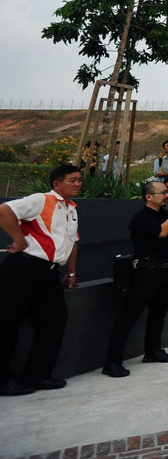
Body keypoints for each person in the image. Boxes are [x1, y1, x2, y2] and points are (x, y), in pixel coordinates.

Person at [102, 179, 168, 377]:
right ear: (148, 197)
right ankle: (112, 362)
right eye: (162, 193)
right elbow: (161, 232)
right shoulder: (141, 218)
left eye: (166, 193)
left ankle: (153, 351)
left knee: (158, 313)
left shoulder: (165, 214)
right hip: (146, 272)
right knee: (129, 316)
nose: (166, 196)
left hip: (166, 271)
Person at [0, 163, 81, 395]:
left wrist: (71, 273)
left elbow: (73, 242)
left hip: (49, 272)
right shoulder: (41, 199)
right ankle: (2, 381)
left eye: (79, 180)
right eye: (72, 180)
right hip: (23, 267)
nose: (78, 184)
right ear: (57, 184)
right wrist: (19, 238)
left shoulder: (72, 209)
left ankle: (38, 375)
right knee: (7, 323)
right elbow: (4, 210)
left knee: (54, 321)